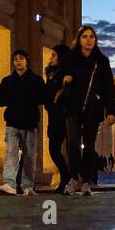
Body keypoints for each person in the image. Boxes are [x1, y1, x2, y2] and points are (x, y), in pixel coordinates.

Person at [58, 27, 115, 196]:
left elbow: (109, 87)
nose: (88, 40)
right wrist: (64, 79)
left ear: (95, 40)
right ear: (79, 39)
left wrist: (111, 110)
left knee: (89, 147)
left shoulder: (101, 61)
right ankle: (74, 177)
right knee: (73, 144)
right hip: (73, 108)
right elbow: (58, 77)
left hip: (93, 109)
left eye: (92, 37)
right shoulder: (70, 59)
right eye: (85, 37)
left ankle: (86, 181)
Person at [0, 49, 45, 195]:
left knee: (29, 156)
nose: (18, 61)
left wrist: (30, 98)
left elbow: (43, 97)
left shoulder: (36, 80)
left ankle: (28, 186)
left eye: (21, 58)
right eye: (15, 59)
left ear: (27, 60)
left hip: (30, 123)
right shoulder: (7, 81)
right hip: (13, 123)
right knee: (11, 153)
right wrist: (9, 100)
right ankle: (10, 183)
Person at [43, 45, 71, 193]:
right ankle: (66, 176)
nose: (50, 58)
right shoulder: (50, 74)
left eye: (53, 55)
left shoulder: (66, 74)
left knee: (67, 148)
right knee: (53, 149)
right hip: (53, 115)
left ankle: (68, 178)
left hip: (64, 115)